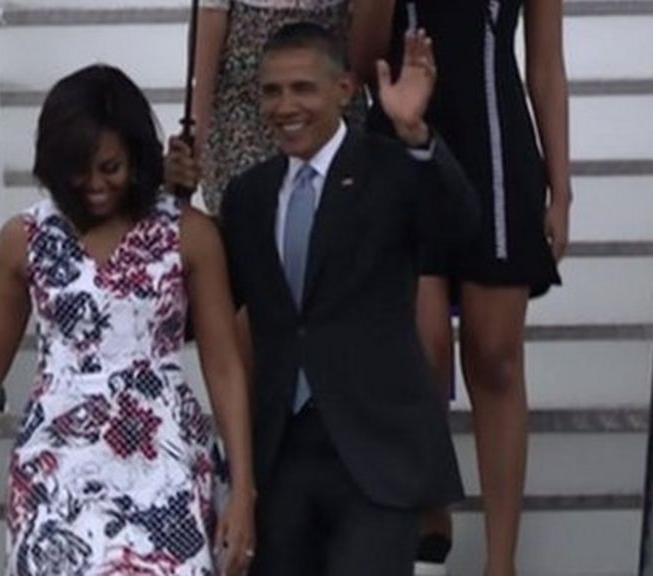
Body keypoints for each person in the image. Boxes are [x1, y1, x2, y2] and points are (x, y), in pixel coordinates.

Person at [0, 64, 256, 575]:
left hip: (165, 461)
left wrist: (243, 490)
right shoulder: (21, 239)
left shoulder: (187, 233)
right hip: (54, 468)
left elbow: (224, 369)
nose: (94, 185)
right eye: (77, 171)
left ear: (138, 157)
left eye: (111, 167)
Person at [167, 22, 478, 574]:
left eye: (303, 88)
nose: (286, 105)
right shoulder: (248, 196)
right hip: (281, 455)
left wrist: (415, 134)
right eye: (271, 90)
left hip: (376, 451)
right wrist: (175, 205)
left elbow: (458, 226)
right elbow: (195, 313)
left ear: (342, 89)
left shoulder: (390, 169)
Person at [358, 3, 570, 574]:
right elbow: (358, 58)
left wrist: (562, 188)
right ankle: (430, 511)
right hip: (402, 134)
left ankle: (501, 562)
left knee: (496, 358)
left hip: (497, 145)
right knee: (421, 352)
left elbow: (546, 68)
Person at [194, 0, 390, 215]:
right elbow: (212, 16)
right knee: (249, 216)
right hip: (245, 111)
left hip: (326, 96)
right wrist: (199, 126)